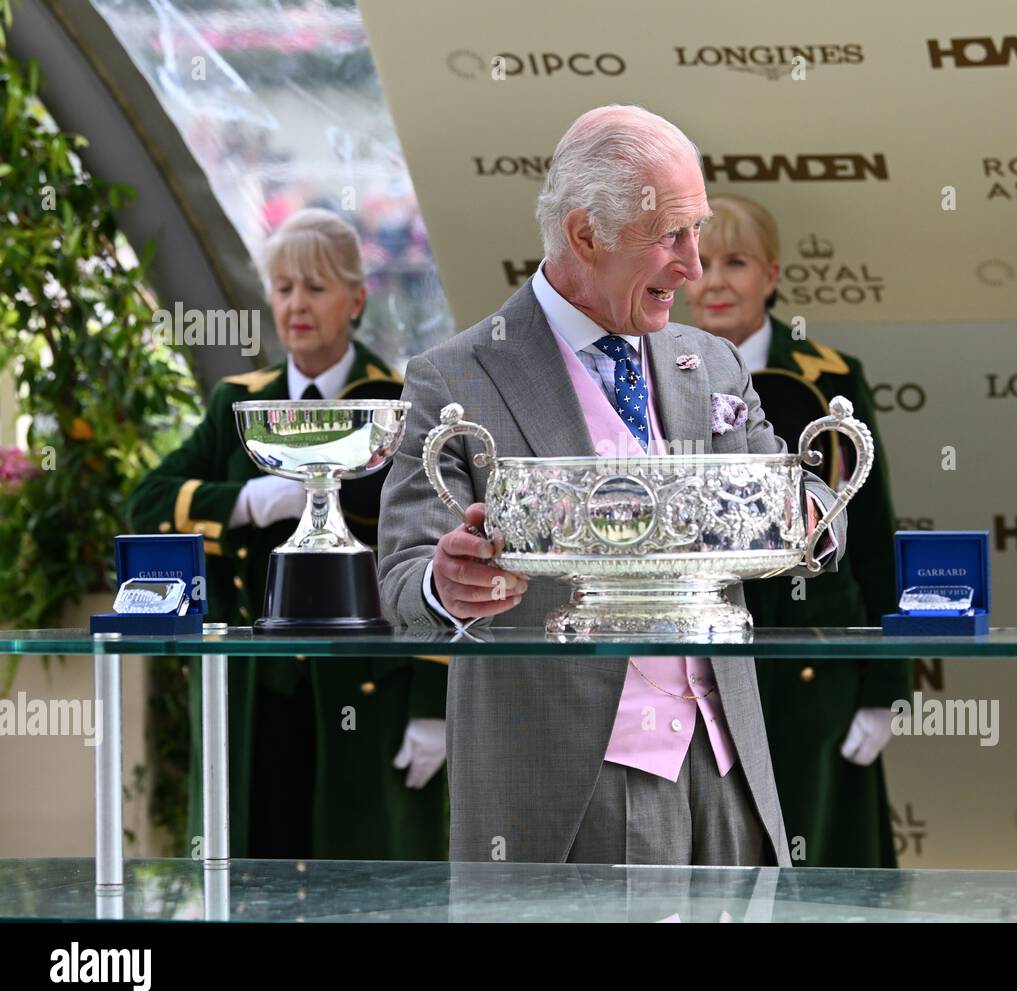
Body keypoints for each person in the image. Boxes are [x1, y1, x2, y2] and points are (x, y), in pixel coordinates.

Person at [377, 105, 847, 866]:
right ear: (584, 233)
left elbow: (804, 516)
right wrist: (447, 581)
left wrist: (814, 515)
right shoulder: (454, 377)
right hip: (565, 786)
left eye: (697, 233)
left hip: (730, 770)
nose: (694, 266)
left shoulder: (715, 364)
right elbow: (403, 581)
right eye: (672, 237)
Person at [128, 209, 449, 859]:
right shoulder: (239, 403)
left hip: (369, 691)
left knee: (362, 877)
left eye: (315, 287)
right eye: (283, 289)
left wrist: (434, 701)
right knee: (248, 864)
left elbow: (432, 556)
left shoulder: (396, 404)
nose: (296, 305)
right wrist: (245, 500)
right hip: (253, 686)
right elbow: (148, 503)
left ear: (355, 300)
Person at [683, 194, 908, 868]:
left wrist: (885, 687)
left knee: (822, 877)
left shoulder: (834, 378)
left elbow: (871, 533)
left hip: (817, 669)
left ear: (772, 275)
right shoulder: (646, 372)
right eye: (700, 261)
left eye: (737, 262)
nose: (715, 280)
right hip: (697, 667)